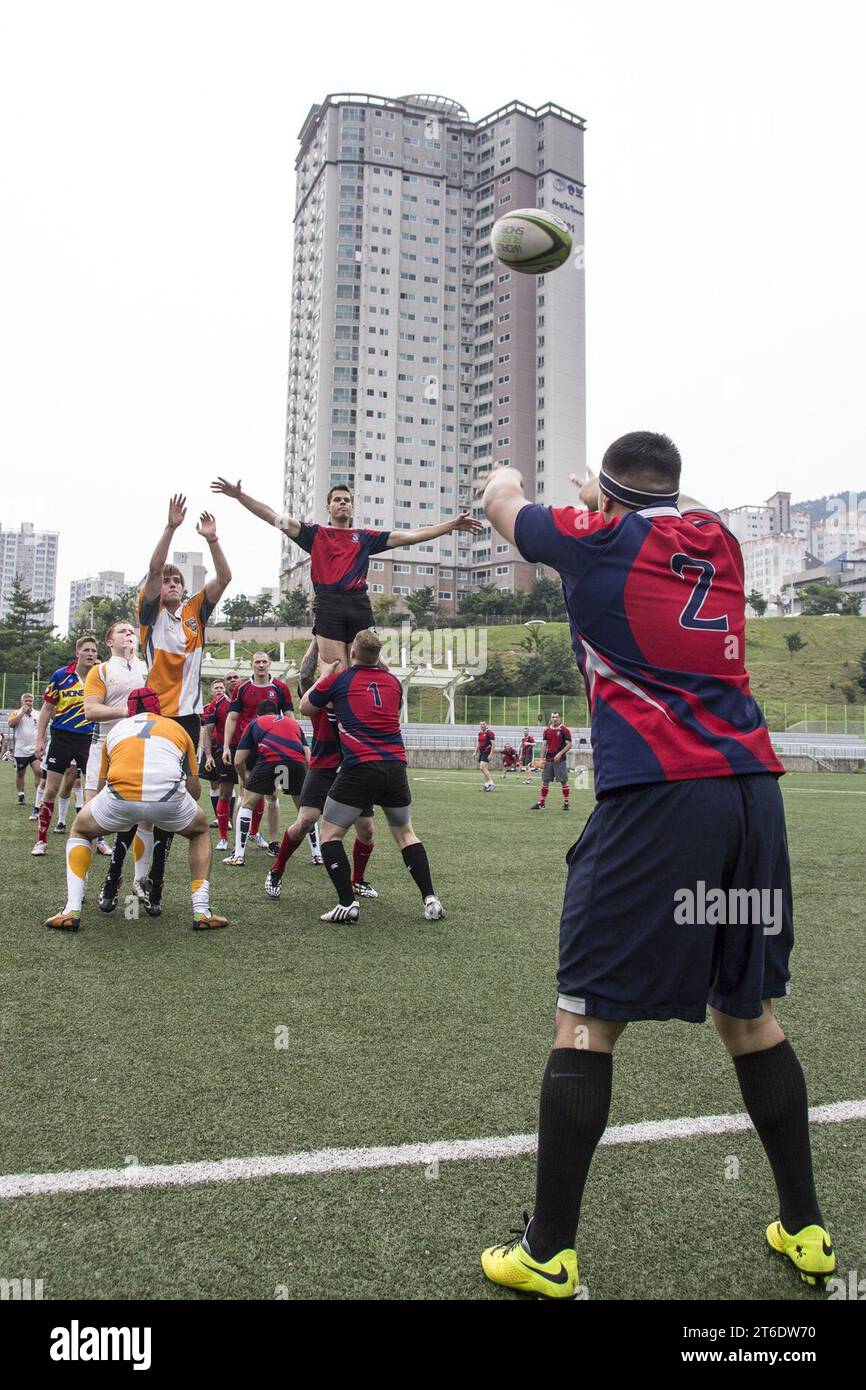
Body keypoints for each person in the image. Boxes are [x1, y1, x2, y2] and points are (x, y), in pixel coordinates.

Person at [478, 432, 833, 1298]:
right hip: (753, 803)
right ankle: (806, 1226)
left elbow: (502, 502)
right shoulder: (721, 538)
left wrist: (506, 473)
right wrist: (597, 500)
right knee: (747, 1015)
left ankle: (548, 1249)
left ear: (605, 495)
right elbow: (641, 525)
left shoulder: (588, 537)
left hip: (660, 805)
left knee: (586, 1020)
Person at [102, 495, 231, 915]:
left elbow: (225, 577)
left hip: (188, 717)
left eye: (178, 582)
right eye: (167, 582)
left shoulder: (196, 610)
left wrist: (212, 540)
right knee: (136, 797)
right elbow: (155, 568)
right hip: (153, 715)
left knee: (175, 799)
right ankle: (117, 875)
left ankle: (154, 883)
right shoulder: (151, 614)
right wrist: (171, 527)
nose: (172, 585)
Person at [210, 477, 482, 669]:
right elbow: (272, 516)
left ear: (352, 508)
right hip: (328, 604)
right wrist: (240, 496)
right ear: (328, 508)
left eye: (347, 500)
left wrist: (452, 524)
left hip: (358, 604)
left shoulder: (363, 537)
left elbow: (410, 536)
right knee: (337, 669)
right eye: (337, 500)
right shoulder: (314, 534)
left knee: (364, 666)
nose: (342, 503)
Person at [45, 688, 227, 932]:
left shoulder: (116, 730)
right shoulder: (178, 730)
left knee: (80, 830)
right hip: (167, 797)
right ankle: (202, 911)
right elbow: (194, 790)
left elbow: (101, 784)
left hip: (120, 795)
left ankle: (71, 910)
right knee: (200, 832)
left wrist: (112, 812)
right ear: (159, 709)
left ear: (129, 711)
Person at [299, 630, 444, 924]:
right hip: (395, 766)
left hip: (360, 766)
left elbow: (305, 707)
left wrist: (325, 674)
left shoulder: (341, 680)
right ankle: (430, 899)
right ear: (379, 656)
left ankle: (346, 902)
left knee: (330, 835)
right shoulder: (393, 683)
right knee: (406, 834)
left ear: (352, 654)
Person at [266, 670, 375, 900]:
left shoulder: (353, 694)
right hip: (323, 768)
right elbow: (305, 677)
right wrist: (319, 638)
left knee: (366, 830)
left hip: (353, 768)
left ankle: (357, 880)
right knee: (305, 820)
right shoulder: (318, 697)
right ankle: (277, 869)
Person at [83, 620, 150, 860]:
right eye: (122, 631)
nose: (129, 634)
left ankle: (139, 882)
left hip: (140, 749)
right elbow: (90, 711)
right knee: (89, 817)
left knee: (145, 818)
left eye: (132, 631)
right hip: (105, 747)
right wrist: (126, 711)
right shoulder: (100, 670)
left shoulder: (148, 668)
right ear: (110, 642)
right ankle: (78, 890)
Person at [31, 635, 100, 854]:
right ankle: (41, 840)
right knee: (50, 789)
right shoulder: (61, 676)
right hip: (61, 736)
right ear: (77, 652)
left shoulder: (100, 677)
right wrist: (40, 739)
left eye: (94, 651)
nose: (90, 654)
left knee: (94, 790)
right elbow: (47, 710)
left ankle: (98, 840)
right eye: (86, 650)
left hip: (89, 739)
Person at [223, 702, 310, 866]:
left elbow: (238, 761)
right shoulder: (292, 722)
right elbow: (308, 756)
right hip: (296, 763)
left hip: (269, 761)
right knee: (305, 809)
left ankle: (238, 855)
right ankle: (316, 854)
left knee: (247, 804)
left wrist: (245, 780)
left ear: (258, 714)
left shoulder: (255, 722)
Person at [221, 653, 293, 849]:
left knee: (273, 796)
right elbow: (232, 718)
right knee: (244, 793)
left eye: (264, 662)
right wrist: (227, 746)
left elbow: (289, 717)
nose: (261, 665)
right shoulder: (242, 688)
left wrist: (292, 742)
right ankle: (238, 844)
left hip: (273, 747)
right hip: (248, 748)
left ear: (269, 664)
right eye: (257, 662)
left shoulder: (280, 687)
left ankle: (273, 841)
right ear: (251, 665)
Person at [201, 671, 240, 849]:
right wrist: (208, 755)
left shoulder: (247, 697)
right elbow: (207, 731)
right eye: (229, 678)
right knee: (222, 790)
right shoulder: (215, 705)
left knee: (254, 794)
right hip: (224, 752)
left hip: (249, 750)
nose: (233, 680)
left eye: (235, 677)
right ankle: (223, 838)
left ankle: (252, 834)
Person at [530, 713, 572, 811]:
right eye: (553, 717)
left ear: (559, 718)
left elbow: (569, 744)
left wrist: (560, 753)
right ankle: (542, 803)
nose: (555, 719)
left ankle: (566, 803)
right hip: (548, 760)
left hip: (560, 760)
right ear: (550, 718)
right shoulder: (547, 730)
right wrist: (541, 759)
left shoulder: (564, 730)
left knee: (563, 781)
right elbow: (544, 745)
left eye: (557, 717)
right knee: (545, 781)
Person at [8, 693, 40, 806]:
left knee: (39, 771)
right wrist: (22, 713)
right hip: (20, 750)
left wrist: (42, 744)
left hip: (34, 749)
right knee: (20, 773)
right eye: (26, 701)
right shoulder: (15, 713)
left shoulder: (38, 714)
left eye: (30, 701)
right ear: (22, 702)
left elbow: (42, 729)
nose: (28, 703)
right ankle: (21, 795)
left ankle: (39, 797)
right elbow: (11, 724)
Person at [476, 721, 496, 791]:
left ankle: (492, 783)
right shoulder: (480, 733)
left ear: (486, 725)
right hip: (482, 752)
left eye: (483, 724)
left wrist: (491, 754)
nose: (482, 725)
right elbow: (479, 743)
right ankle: (486, 785)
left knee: (482, 767)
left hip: (487, 751)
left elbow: (493, 744)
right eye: (481, 724)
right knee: (485, 769)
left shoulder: (489, 732)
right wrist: (475, 752)